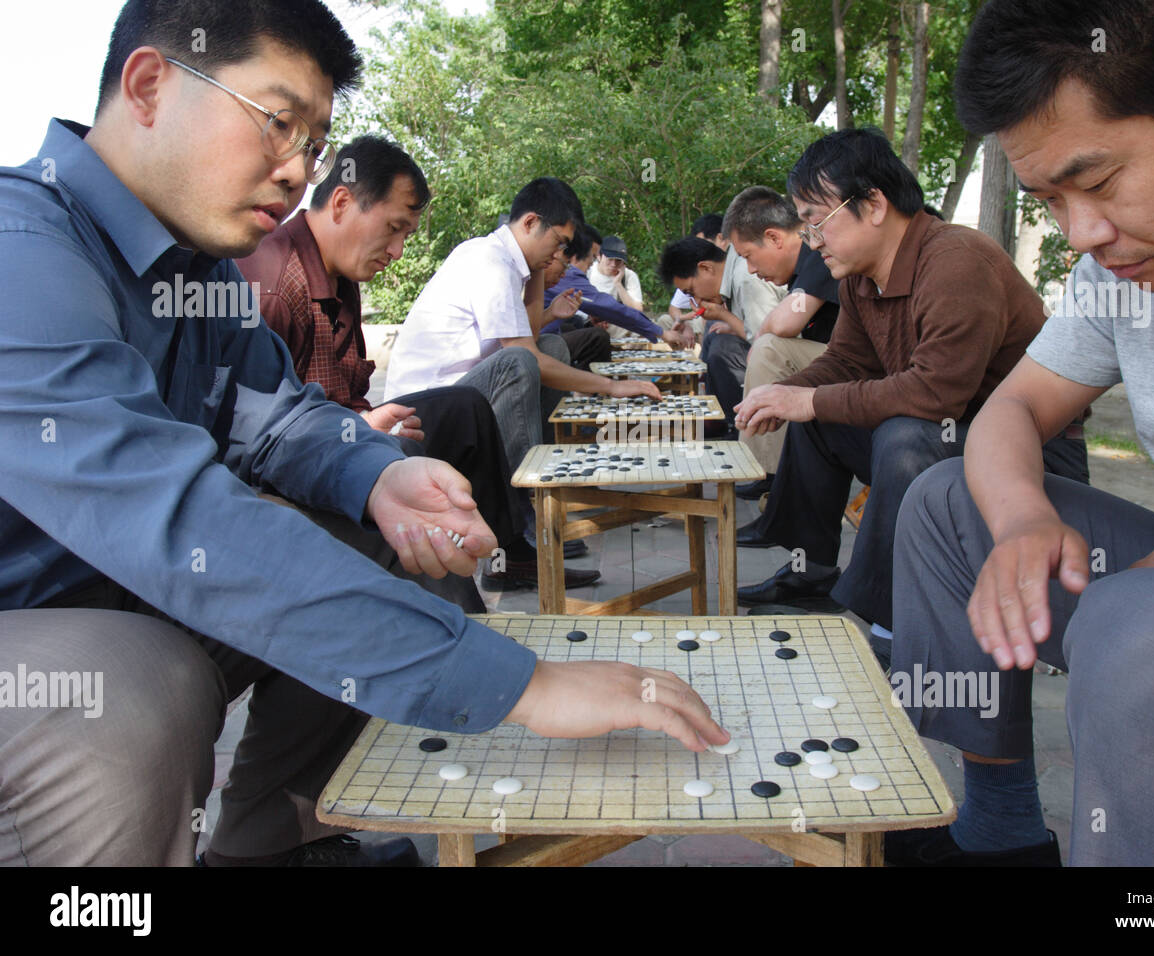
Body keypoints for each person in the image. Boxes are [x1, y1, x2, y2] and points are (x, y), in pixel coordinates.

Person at [0, 0, 726, 867]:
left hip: (117, 592)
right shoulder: (23, 256)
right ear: (152, 84)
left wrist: (378, 475)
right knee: (126, 691)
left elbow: (279, 413)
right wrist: (520, 684)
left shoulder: (196, 271)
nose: (297, 173)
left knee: (378, 534)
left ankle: (274, 842)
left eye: (312, 143)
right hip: (40, 632)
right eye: (277, 124)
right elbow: (177, 517)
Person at [885, 0, 1154, 867]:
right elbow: (1011, 409)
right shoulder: (1127, 267)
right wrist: (1023, 525)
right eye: (1051, 201)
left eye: (1100, 182)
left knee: (1144, 636)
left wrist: (1110, 616)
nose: (1084, 234)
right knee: (949, 499)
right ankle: (999, 829)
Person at [732, 128, 1089, 637]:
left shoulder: (957, 261)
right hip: (950, 434)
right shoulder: (859, 277)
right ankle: (806, 571)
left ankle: (894, 623)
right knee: (818, 419)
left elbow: (935, 395)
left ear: (873, 204)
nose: (812, 242)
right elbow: (846, 363)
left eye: (819, 222)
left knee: (903, 435)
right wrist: (786, 397)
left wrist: (809, 398)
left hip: (1031, 451)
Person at [236, 135, 593, 594]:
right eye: (395, 229)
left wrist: (362, 421)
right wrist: (361, 435)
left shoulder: (339, 274)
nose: (399, 251)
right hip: (301, 472)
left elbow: (340, 395)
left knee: (466, 409)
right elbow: (255, 442)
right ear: (341, 202)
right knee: (496, 386)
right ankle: (482, 592)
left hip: (348, 431)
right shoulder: (270, 286)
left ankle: (510, 551)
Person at [383, 179, 661, 475]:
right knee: (518, 362)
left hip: (454, 399)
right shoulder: (490, 261)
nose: (559, 255)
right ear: (530, 222)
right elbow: (523, 357)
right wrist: (613, 387)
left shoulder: (509, 262)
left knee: (550, 348)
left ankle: (542, 453)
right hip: (419, 416)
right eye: (559, 242)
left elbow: (532, 338)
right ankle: (524, 489)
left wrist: (536, 271)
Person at [721, 186, 841, 498]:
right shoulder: (805, 263)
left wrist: (759, 342)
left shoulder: (815, 250)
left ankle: (769, 480)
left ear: (775, 238)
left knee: (769, 350)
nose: (750, 269)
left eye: (748, 256)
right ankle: (771, 479)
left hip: (865, 368)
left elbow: (788, 322)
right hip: (842, 363)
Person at [657, 236, 786, 435]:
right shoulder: (735, 273)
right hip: (772, 346)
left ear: (706, 268)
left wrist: (723, 314)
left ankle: (739, 427)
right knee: (713, 337)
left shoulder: (745, 279)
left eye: (692, 291)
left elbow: (769, 342)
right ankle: (718, 418)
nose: (697, 300)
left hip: (786, 361)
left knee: (724, 350)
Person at [540, 223, 688, 350]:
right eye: (593, 256)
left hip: (547, 333)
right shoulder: (570, 274)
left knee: (578, 324)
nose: (593, 262)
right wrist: (661, 332)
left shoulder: (628, 276)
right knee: (598, 337)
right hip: (543, 340)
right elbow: (610, 308)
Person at [587, 234, 644, 313]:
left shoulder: (629, 276)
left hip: (617, 322)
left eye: (618, 260)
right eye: (610, 259)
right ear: (599, 256)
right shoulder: (588, 271)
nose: (613, 264)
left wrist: (618, 284)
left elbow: (638, 310)